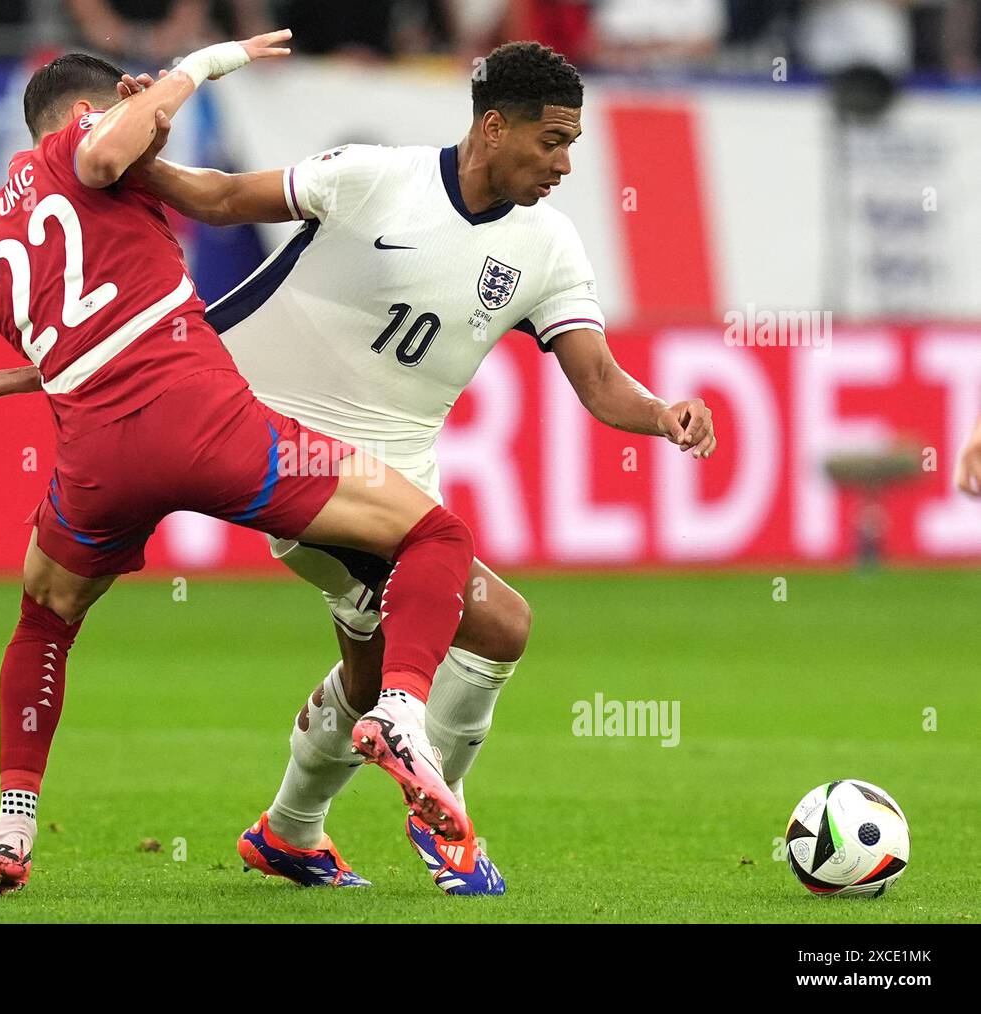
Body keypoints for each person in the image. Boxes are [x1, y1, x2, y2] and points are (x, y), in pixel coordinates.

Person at [0, 31, 482, 896]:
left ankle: (12, 827)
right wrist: (200, 66)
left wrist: (24, 373)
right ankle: (401, 716)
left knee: (45, 616)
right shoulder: (81, 148)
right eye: (120, 100)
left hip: (94, 456)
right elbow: (106, 149)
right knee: (435, 534)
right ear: (85, 113)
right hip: (206, 421)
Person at [116, 40, 717, 894]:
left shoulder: (546, 244)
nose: (565, 163)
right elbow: (219, 199)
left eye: (573, 143)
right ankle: (447, 815)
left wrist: (662, 414)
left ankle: (289, 832)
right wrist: (147, 159)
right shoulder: (373, 177)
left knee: (366, 674)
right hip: (288, 452)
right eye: (551, 141)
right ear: (494, 126)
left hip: (397, 487)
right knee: (500, 625)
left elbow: (596, 378)